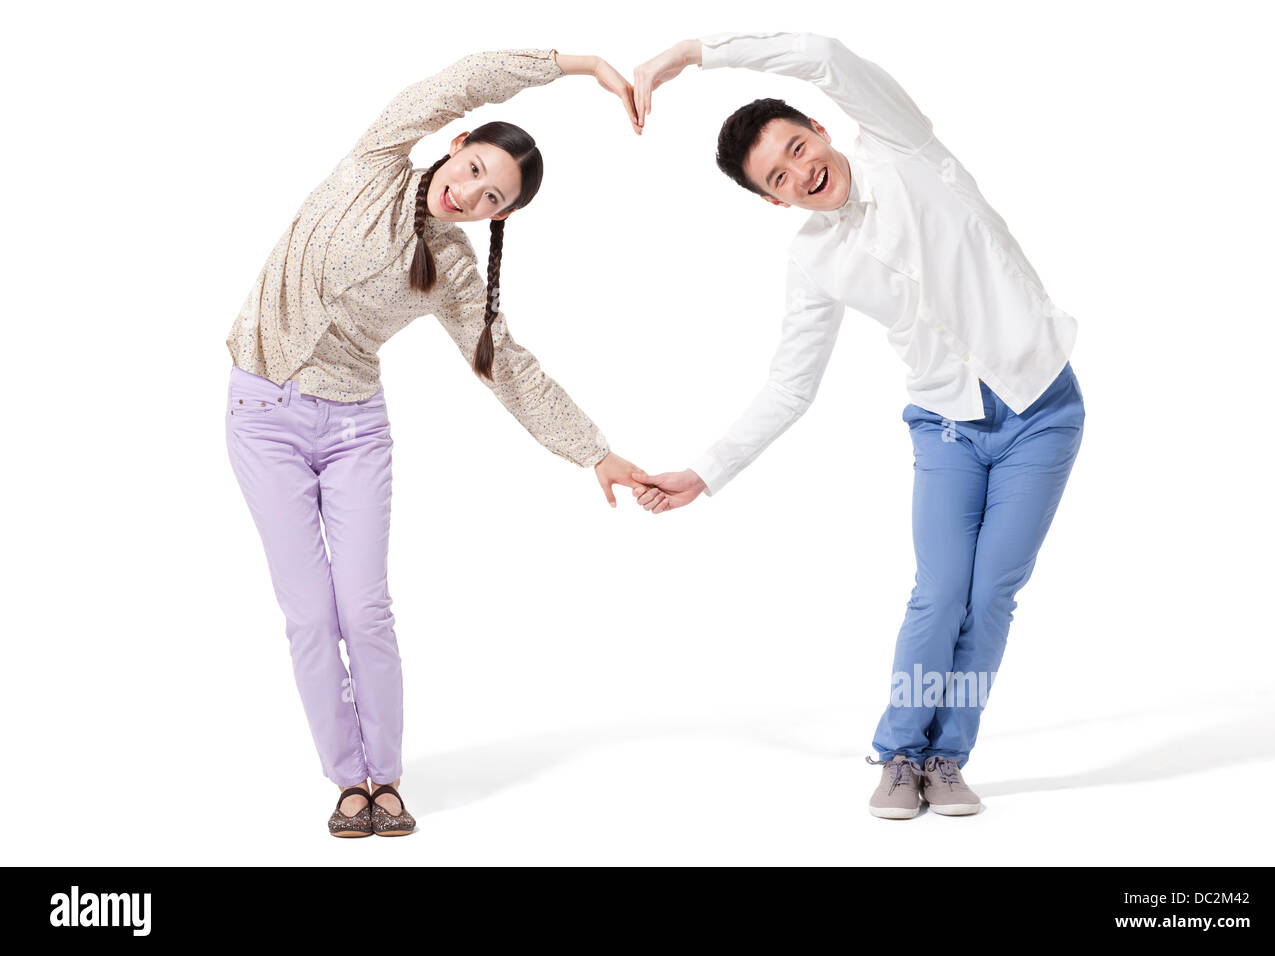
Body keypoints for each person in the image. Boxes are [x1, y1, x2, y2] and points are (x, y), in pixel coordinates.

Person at [626, 32, 1085, 819]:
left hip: (1042, 412)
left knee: (992, 596)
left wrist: (690, 55)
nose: (804, 172)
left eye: (800, 148)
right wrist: (704, 472)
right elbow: (789, 385)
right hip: (945, 427)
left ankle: (949, 757)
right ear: (775, 201)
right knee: (941, 594)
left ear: (822, 131)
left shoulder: (904, 148)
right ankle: (901, 754)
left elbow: (824, 55)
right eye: (781, 177)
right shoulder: (814, 260)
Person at [224, 47, 654, 837]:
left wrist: (596, 451)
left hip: (354, 429)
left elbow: (509, 369)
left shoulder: (453, 268)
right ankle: (345, 779)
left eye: (493, 199)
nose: (472, 195)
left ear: (501, 216)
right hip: (262, 416)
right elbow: (461, 81)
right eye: (477, 170)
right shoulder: (380, 158)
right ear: (456, 144)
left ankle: (385, 779)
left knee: (365, 607)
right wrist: (573, 64)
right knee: (311, 615)